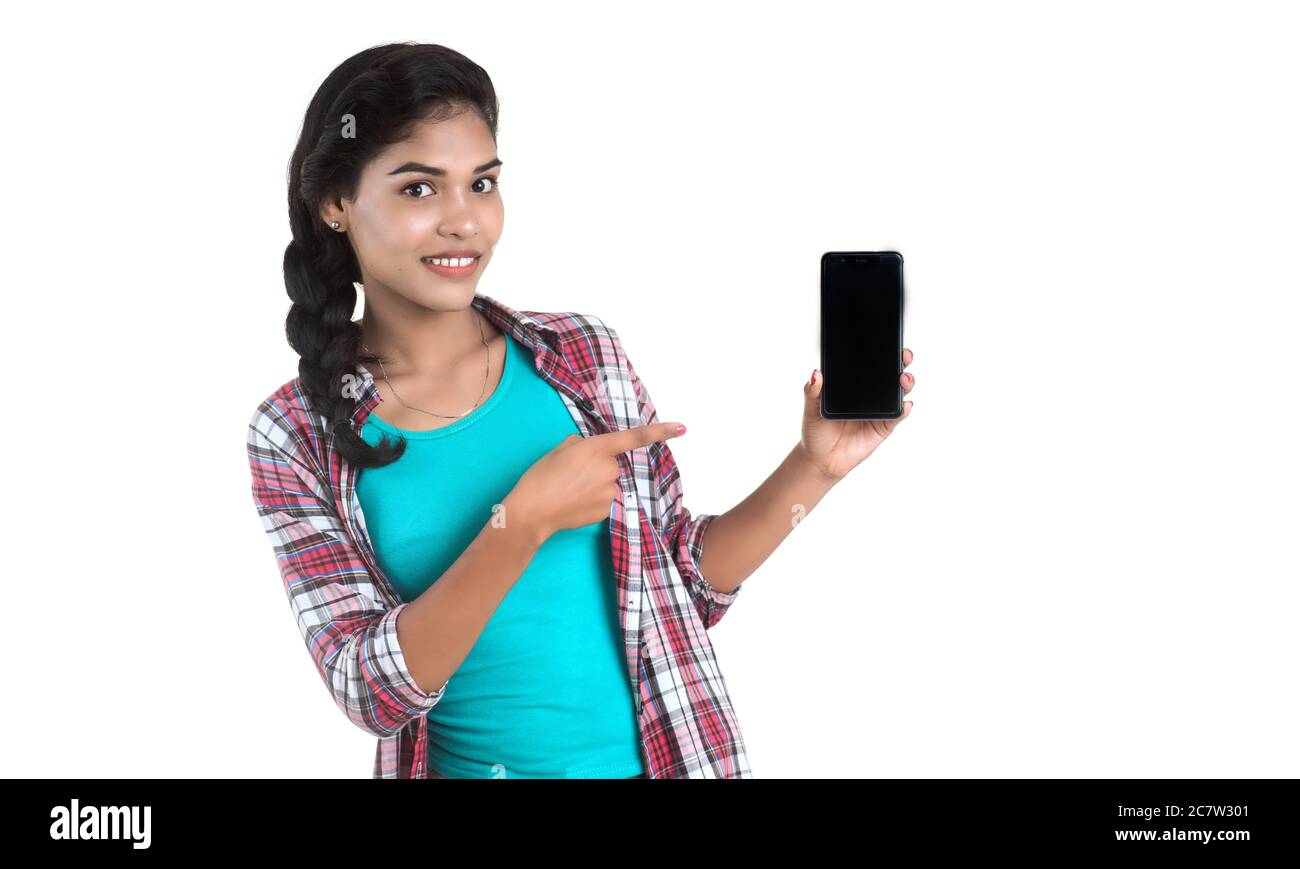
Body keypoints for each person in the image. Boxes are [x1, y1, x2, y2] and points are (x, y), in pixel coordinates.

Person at [246, 42, 915, 779]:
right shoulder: (294, 433)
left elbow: (685, 584)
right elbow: (366, 688)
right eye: (419, 190)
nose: (465, 223)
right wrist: (521, 520)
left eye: (484, 183)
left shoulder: (581, 359)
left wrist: (813, 468)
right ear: (335, 204)